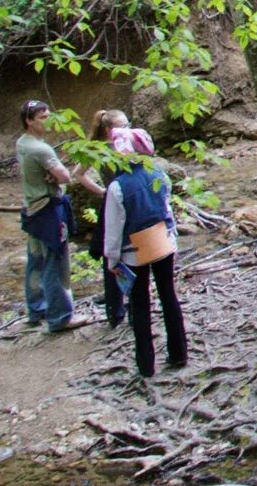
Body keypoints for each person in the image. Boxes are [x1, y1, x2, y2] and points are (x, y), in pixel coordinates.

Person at [16, 99, 103, 332]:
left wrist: (50, 174)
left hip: (32, 209)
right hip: (47, 210)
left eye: (49, 115)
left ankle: (37, 310)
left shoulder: (22, 143)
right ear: (29, 121)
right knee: (57, 262)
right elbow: (65, 176)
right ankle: (61, 317)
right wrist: (55, 175)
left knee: (36, 260)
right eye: (43, 117)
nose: (49, 121)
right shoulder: (40, 148)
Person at [104, 149, 187, 378]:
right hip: (162, 243)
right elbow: (166, 209)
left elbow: (113, 228)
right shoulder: (157, 173)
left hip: (133, 253)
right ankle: (179, 353)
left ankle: (146, 365)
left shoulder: (117, 187)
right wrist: (174, 241)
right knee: (168, 296)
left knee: (140, 306)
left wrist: (111, 259)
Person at [87, 110, 157, 327]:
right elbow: (79, 173)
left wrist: (104, 192)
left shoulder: (101, 149)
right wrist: (105, 192)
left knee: (120, 259)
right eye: (123, 126)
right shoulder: (114, 150)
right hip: (124, 206)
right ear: (110, 130)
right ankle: (126, 312)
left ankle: (121, 311)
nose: (128, 129)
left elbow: (79, 174)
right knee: (127, 258)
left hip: (116, 202)